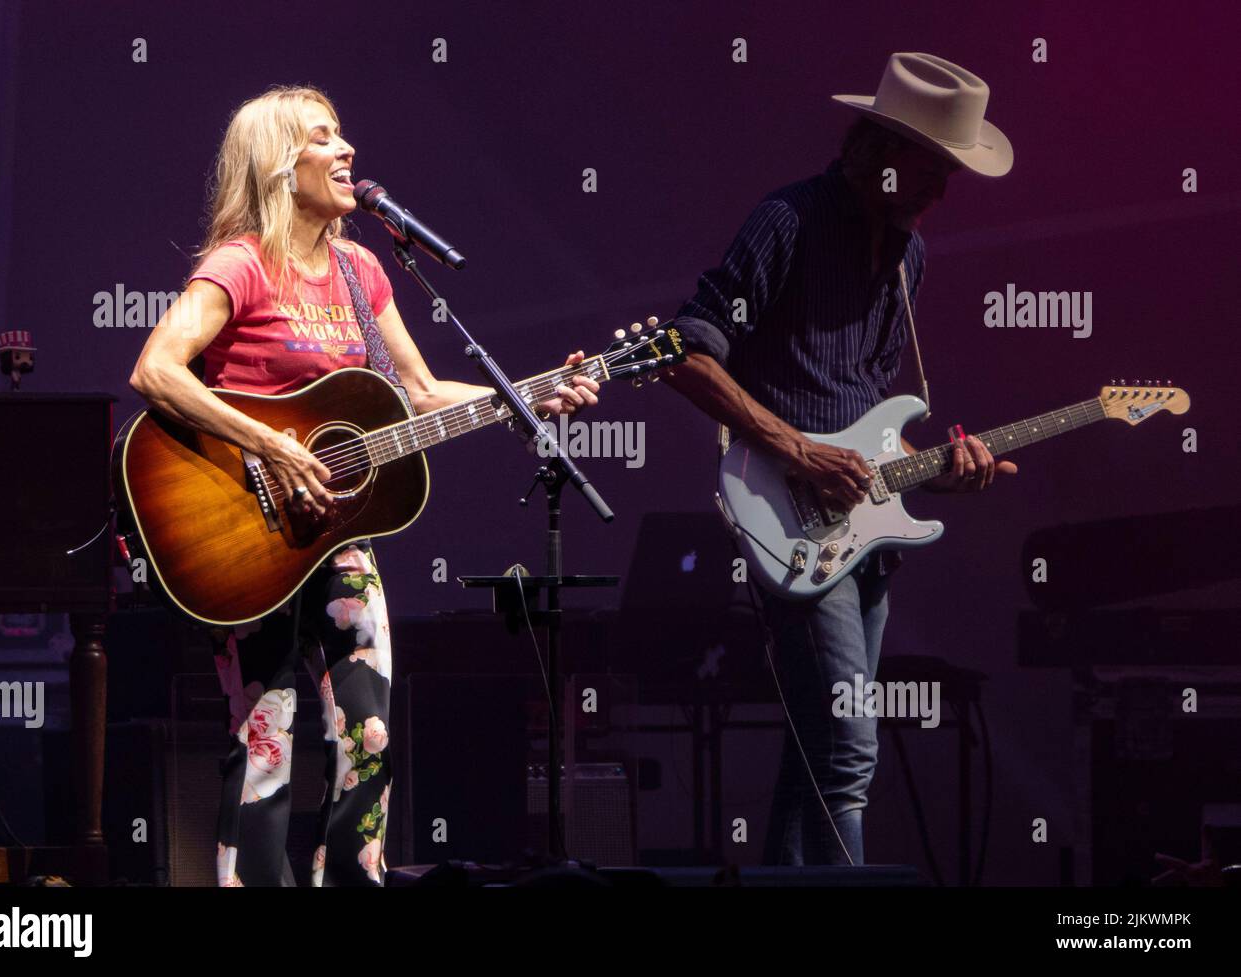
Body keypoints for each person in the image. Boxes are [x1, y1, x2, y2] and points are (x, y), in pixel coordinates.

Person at [129, 85, 598, 886]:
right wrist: (269, 444)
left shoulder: (360, 269)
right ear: (280, 165)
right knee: (268, 738)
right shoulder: (241, 264)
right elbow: (155, 368)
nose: (347, 150)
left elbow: (417, 395)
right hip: (245, 529)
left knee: (370, 730)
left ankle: (353, 881)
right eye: (323, 138)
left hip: (340, 538)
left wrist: (528, 394)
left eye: (343, 135)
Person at [663, 53, 1017, 866]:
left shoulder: (908, 257)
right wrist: (795, 449)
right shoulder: (787, 221)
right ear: (879, 151)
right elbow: (685, 352)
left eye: (951, 172)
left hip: (862, 533)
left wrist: (942, 471)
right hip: (784, 512)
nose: (942, 190)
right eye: (932, 167)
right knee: (849, 748)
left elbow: (869, 426)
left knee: (816, 754)